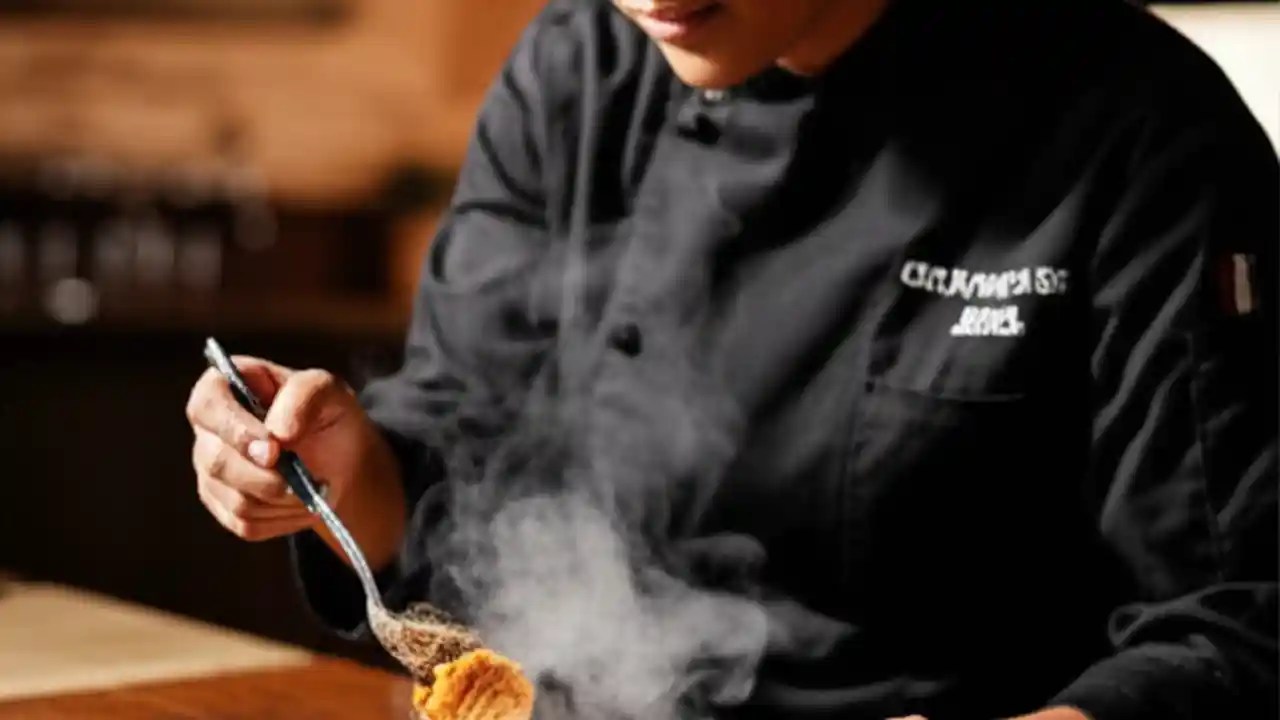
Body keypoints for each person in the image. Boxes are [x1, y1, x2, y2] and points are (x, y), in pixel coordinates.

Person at [183, 0, 1279, 718]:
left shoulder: (1135, 126)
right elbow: (459, 486)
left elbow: (1240, 623)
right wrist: (342, 480)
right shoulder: (576, 76)